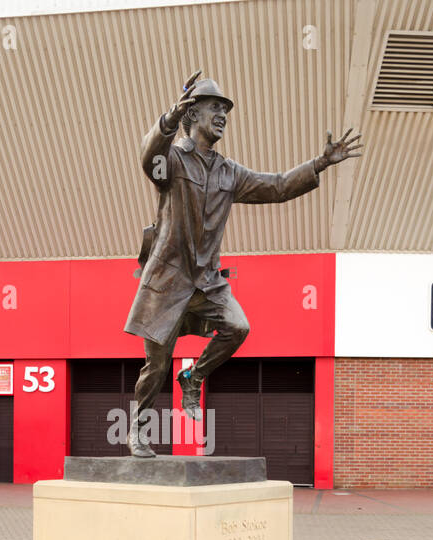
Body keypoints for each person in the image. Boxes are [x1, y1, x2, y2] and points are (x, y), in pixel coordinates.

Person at [124, 70, 362, 457]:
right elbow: (149, 157)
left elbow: (279, 186)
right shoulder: (173, 160)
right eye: (214, 107)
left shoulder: (228, 172)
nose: (222, 115)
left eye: (225, 110)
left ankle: (194, 376)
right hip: (167, 280)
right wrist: (169, 118)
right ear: (193, 113)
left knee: (238, 326)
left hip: (206, 282)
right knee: (156, 365)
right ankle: (138, 430)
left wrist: (319, 163)